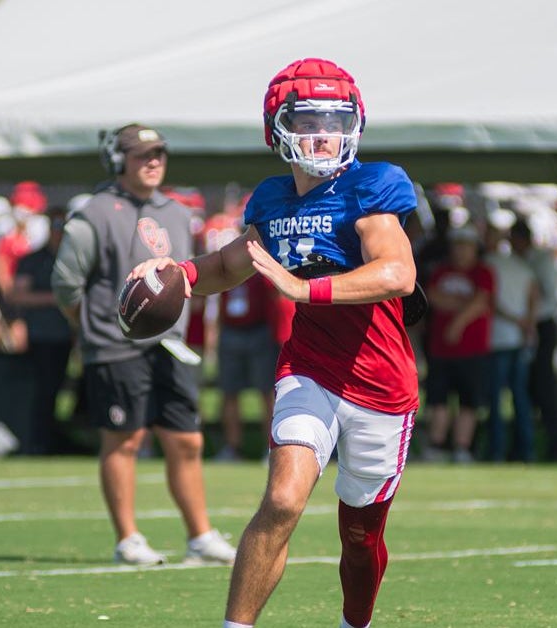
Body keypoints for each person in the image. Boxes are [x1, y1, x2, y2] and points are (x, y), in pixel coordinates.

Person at [127, 57, 420, 628]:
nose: (321, 133)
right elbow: (235, 262)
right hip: (310, 368)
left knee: (360, 534)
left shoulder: (370, 186)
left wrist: (303, 289)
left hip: (381, 383)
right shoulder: (272, 200)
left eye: (334, 120)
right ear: (277, 128)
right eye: (307, 119)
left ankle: (353, 623)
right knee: (283, 499)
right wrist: (182, 274)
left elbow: (397, 273)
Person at [51, 123, 236, 566]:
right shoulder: (93, 212)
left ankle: (199, 535)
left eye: (159, 154)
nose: (153, 161)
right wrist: (93, 328)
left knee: (186, 440)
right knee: (125, 438)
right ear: (119, 161)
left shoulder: (176, 212)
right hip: (114, 346)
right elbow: (65, 284)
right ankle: (128, 539)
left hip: (168, 345)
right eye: (141, 155)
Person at [423, 224, 493, 464]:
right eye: (458, 246)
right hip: (441, 349)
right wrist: (464, 305)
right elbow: (433, 297)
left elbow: (481, 302)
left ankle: (462, 448)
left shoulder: (483, 272)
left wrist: (457, 323)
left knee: (468, 402)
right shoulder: (441, 271)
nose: (462, 251)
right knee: (438, 401)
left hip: (472, 349)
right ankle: (437, 445)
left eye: (467, 246)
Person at [11, 206, 74, 455]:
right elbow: (18, 295)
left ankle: (51, 438)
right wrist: (54, 299)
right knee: (41, 391)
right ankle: (38, 442)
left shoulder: (72, 260)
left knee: (58, 389)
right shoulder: (33, 260)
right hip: (40, 335)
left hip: (64, 336)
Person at [483, 213, 537, 463]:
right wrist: (527, 323)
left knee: (496, 399)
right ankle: (525, 450)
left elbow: (489, 301)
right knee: (520, 399)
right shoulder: (521, 265)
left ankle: (497, 451)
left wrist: (516, 320)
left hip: (497, 338)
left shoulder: (488, 264)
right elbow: (533, 297)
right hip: (517, 338)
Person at [510, 217, 557, 462]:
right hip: (527, 325)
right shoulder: (518, 261)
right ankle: (525, 443)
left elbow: (546, 293)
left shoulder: (541, 260)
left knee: (545, 384)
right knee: (526, 387)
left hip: (542, 324)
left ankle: (555, 442)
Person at [212, 272, 281, 462]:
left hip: (259, 330)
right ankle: (232, 448)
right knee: (229, 392)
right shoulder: (227, 265)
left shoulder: (262, 269)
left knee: (267, 393)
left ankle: (271, 448)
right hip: (231, 330)